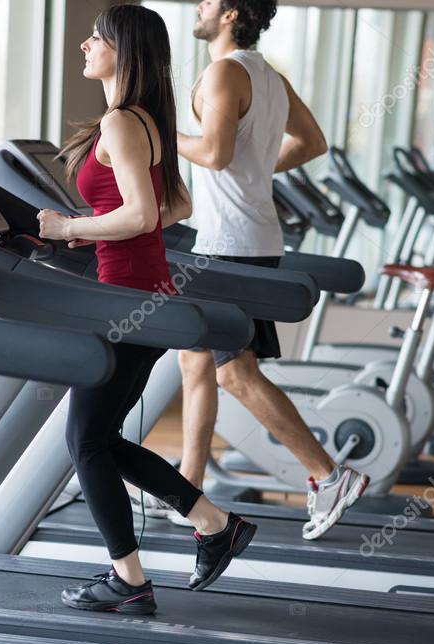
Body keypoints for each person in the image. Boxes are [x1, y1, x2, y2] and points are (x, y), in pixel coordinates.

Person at [36, 4, 257, 616]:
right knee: (98, 439)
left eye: (97, 38)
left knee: (84, 442)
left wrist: (69, 226)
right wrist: (104, 231)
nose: (85, 44)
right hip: (143, 294)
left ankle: (132, 580)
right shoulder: (145, 119)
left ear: (122, 51)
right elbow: (176, 205)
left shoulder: (120, 123)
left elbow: (140, 213)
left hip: (126, 301)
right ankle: (211, 526)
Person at [133, 0, 368, 542]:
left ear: (233, 12)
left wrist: (158, 134)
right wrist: (255, 167)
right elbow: (312, 143)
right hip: (247, 236)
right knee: (196, 365)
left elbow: (214, 155)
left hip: (228, 246)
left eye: (209, 1)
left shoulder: (223, 73)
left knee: (233, 372)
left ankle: (330, 475)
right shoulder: (269, 76)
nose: (199, 6)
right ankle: (187, 486)